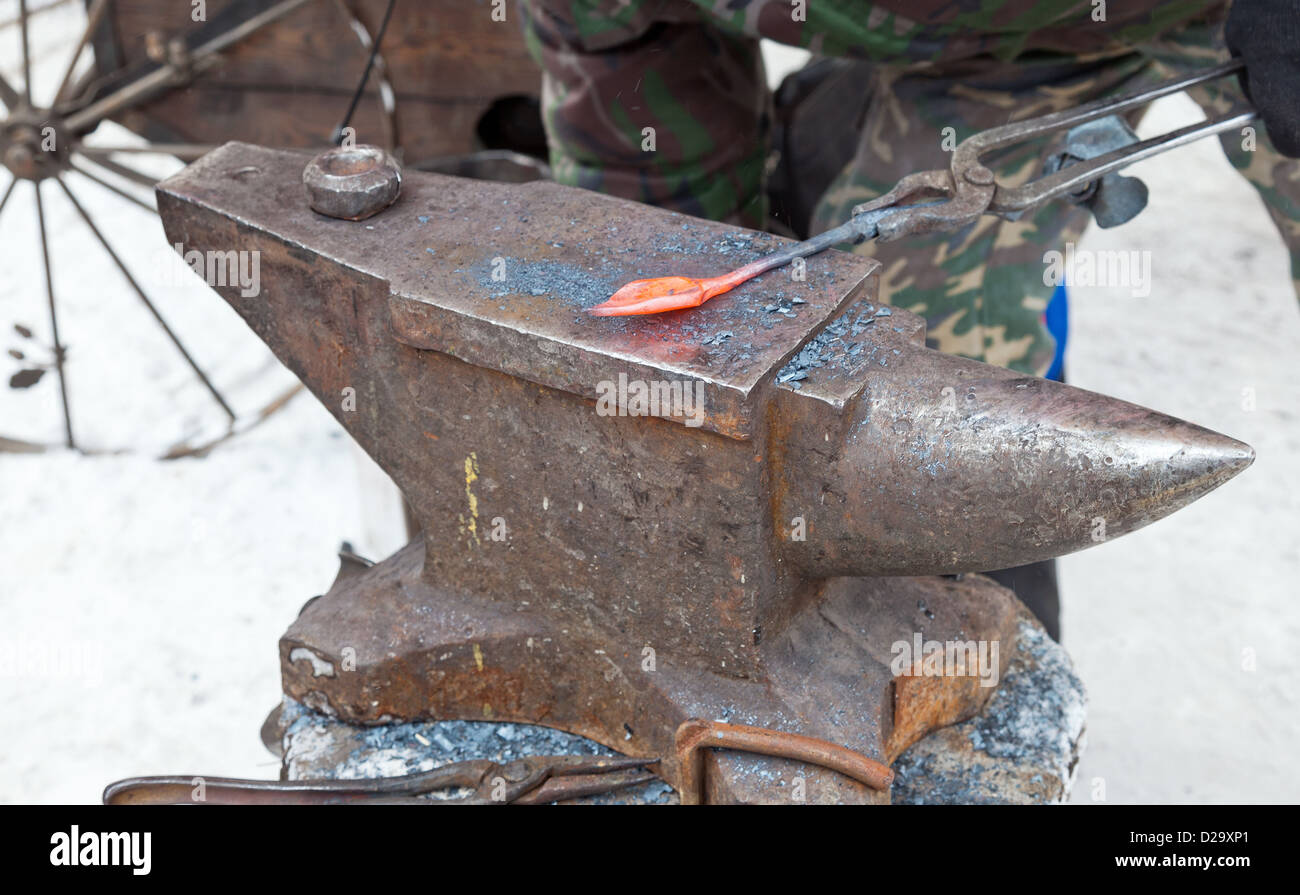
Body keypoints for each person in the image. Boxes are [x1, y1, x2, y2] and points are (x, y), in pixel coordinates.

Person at [521, 0, 1300, 639]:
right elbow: (644, 127)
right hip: (994, 51)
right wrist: (696, 360)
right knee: (895, 408)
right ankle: (977, 679)